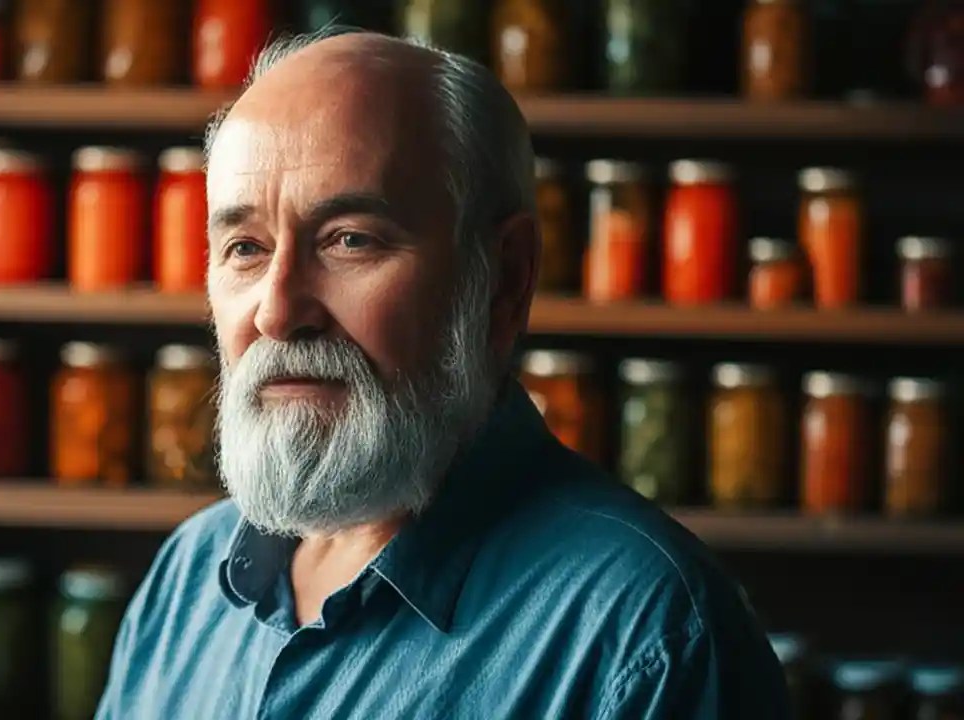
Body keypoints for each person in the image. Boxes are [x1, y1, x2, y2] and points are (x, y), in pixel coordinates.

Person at [98, 28, 790, 720]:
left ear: (502, 280)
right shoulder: (188, 577)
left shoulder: (648, 637)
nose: (278, 312)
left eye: (350, 240)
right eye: (244, 248)